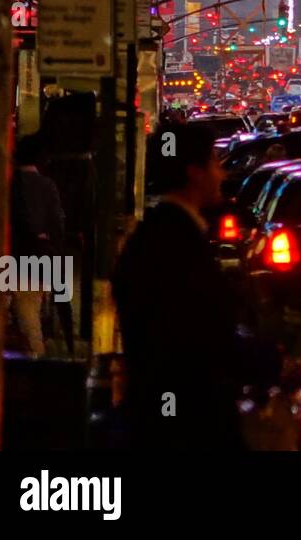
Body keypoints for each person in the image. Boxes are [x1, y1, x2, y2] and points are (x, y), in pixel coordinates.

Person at [114, 121, 275, 449]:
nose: (222, 175)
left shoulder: (160, 234)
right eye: (215, 163)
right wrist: (269, 362)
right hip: (185, 422)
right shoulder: (174, 242)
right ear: (193, 172)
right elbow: (200, 333)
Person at [10, 134, 66, 357]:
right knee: (30, 318)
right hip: (34, 259)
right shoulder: (46, 186)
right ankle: (35, 362)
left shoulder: (7, 182)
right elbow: (57, 226)